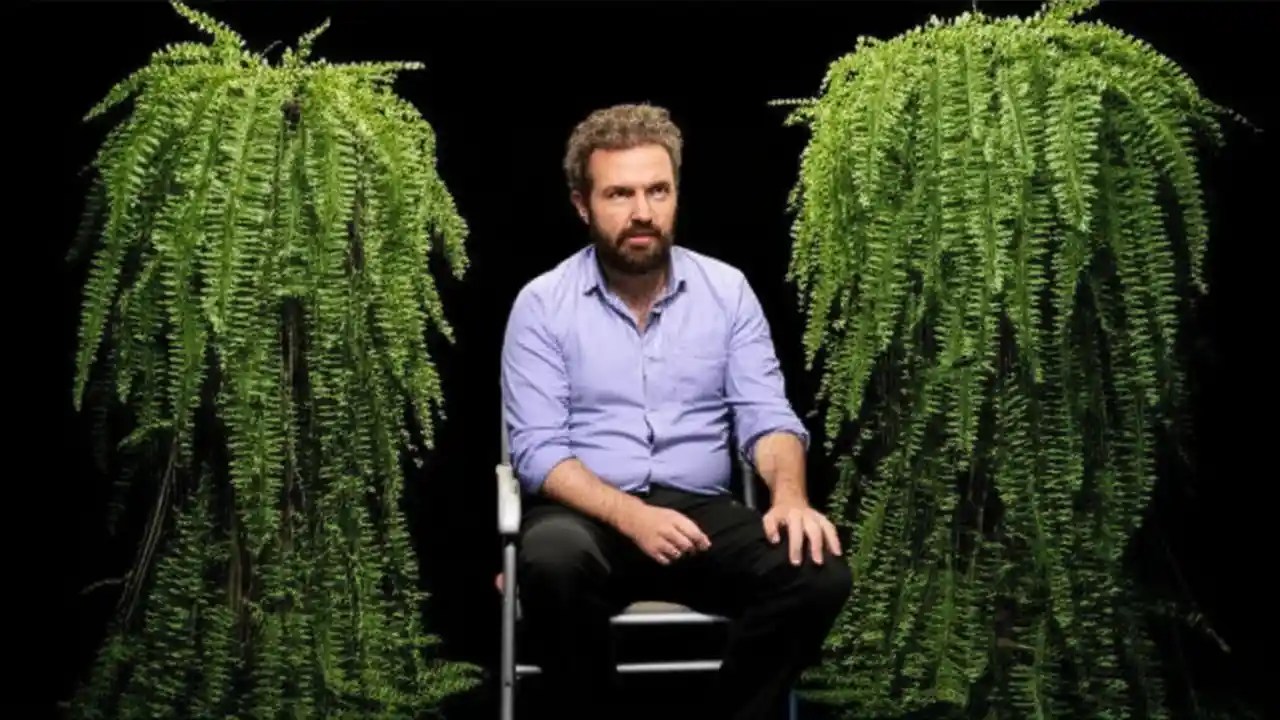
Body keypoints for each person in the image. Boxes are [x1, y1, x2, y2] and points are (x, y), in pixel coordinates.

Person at [499, 103, 852, 720]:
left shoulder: (727, 291)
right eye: (620, 194)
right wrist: (634, 517)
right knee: (551, 560)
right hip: (587, 513)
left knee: (815, 570)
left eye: (657, 190)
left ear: (676, 194)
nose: (642, 212)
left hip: (698, 514)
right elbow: (539, 453)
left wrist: (790, 498)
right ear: (583, 204)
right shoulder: (543, 304)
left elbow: (767, 415)